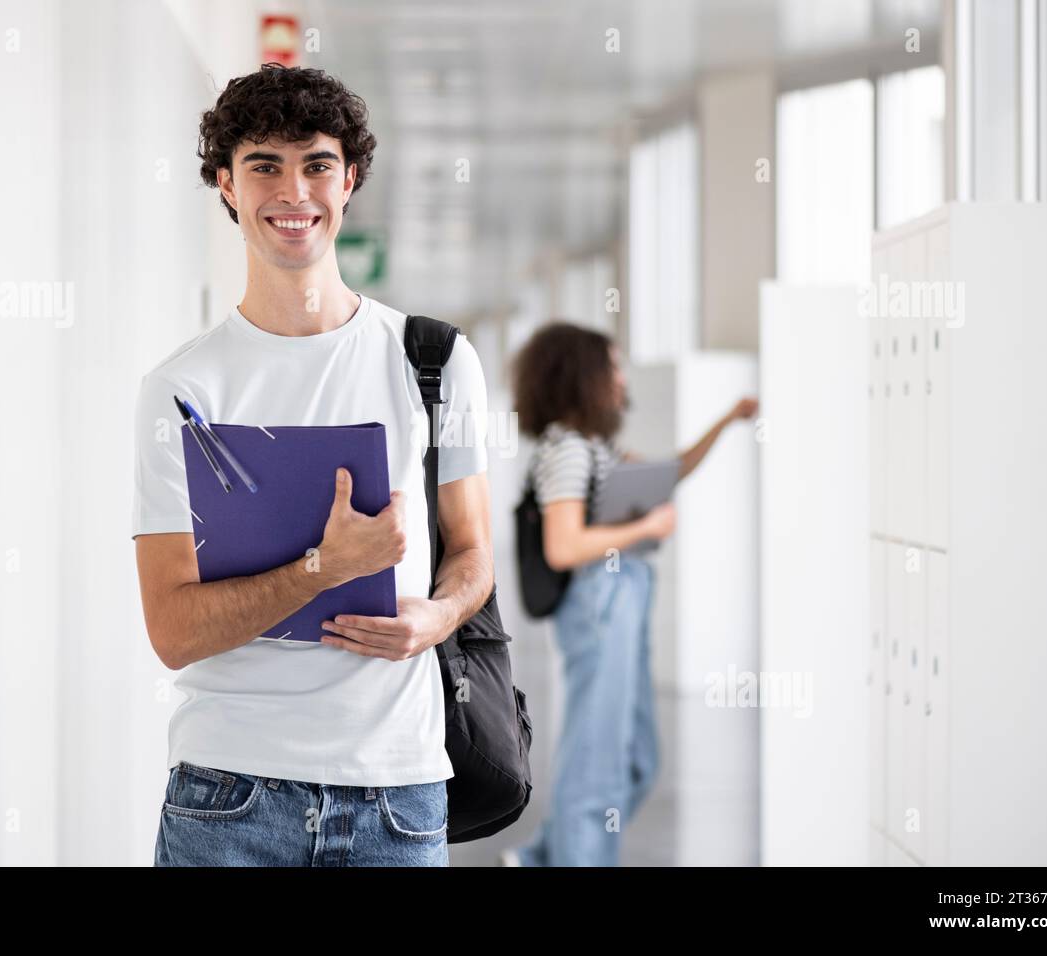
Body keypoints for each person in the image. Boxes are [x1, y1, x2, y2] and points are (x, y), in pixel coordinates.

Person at [131, 64, 495, 867]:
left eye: (317, 164)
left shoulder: (432, 362)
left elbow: (472, 553)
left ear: (350, 179)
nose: (293, 191)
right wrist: (325, 568)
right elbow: (174, 630)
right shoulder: (181, 391)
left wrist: (435, 619)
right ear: (226, 185)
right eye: (264, 165)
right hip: (228, 796)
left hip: (395, 794)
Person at [503, 321, 757, 866]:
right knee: (598, 763)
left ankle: (538, 858)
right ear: (584, 376)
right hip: (599, 608)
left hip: (622, 602)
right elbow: (564, 546)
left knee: (636, 760)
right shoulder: (568, 452)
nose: (622, 380)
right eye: (614, 368)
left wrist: (728, 422)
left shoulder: (596, 448)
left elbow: (674, 470)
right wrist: (645, 530)